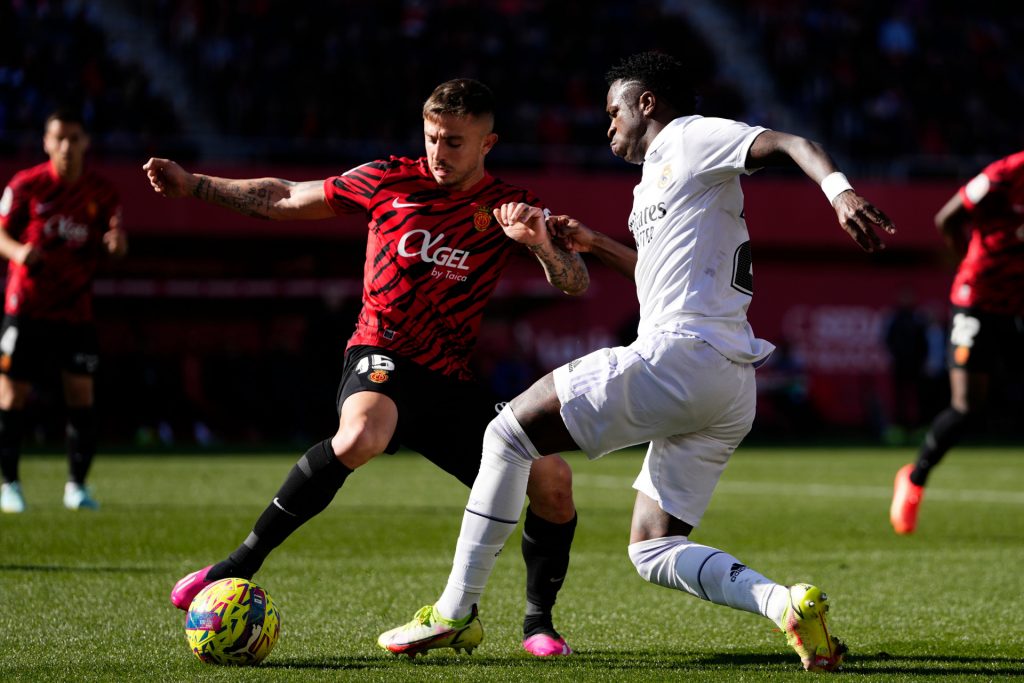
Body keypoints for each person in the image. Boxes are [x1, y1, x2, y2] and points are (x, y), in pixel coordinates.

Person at [379, 52, 895, 671]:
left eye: (612, 112)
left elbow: (790, 141)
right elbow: (655, 277)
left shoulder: (692, 135)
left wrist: (839, 193)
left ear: (645, 103)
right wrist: (595, 245)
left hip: (682, 355)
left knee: (505, 433)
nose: (608, 126)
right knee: (653, 548)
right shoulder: (649, 183)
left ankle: (454, 613)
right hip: (726, 384)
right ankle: (785, 603)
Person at [143, 79, 589, 657]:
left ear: (488, 143)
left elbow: (575, 282)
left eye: (455, 142)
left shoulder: (507, 205)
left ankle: (538, 625)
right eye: (432, 138)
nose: (439, 153)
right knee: (362, 434)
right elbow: (284, 197)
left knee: (553, 479)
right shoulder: (386, 178)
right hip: (381, 350)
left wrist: (542, 246)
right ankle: (236, 565)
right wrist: (195, 185)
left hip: (448, 380)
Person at [890, 150, 1024, 535]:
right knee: (966, 406)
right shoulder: (1004, 175)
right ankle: (914, 480)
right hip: (976, 300)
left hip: (1018, 304)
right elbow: (945, 218)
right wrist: (971, 263)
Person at [0, 109, 127, 514]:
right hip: (28, 308)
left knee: (81, 397)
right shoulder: (26, 186)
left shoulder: (102, 193)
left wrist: (115, 245)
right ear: (46, 142)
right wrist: (19, 250)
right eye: (60, 138)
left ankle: (76, 486)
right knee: (11, 395)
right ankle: (10, 485)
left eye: (75, 138)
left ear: (86, 142)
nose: (67, 146)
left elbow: (118, 243)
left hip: (75, 311)